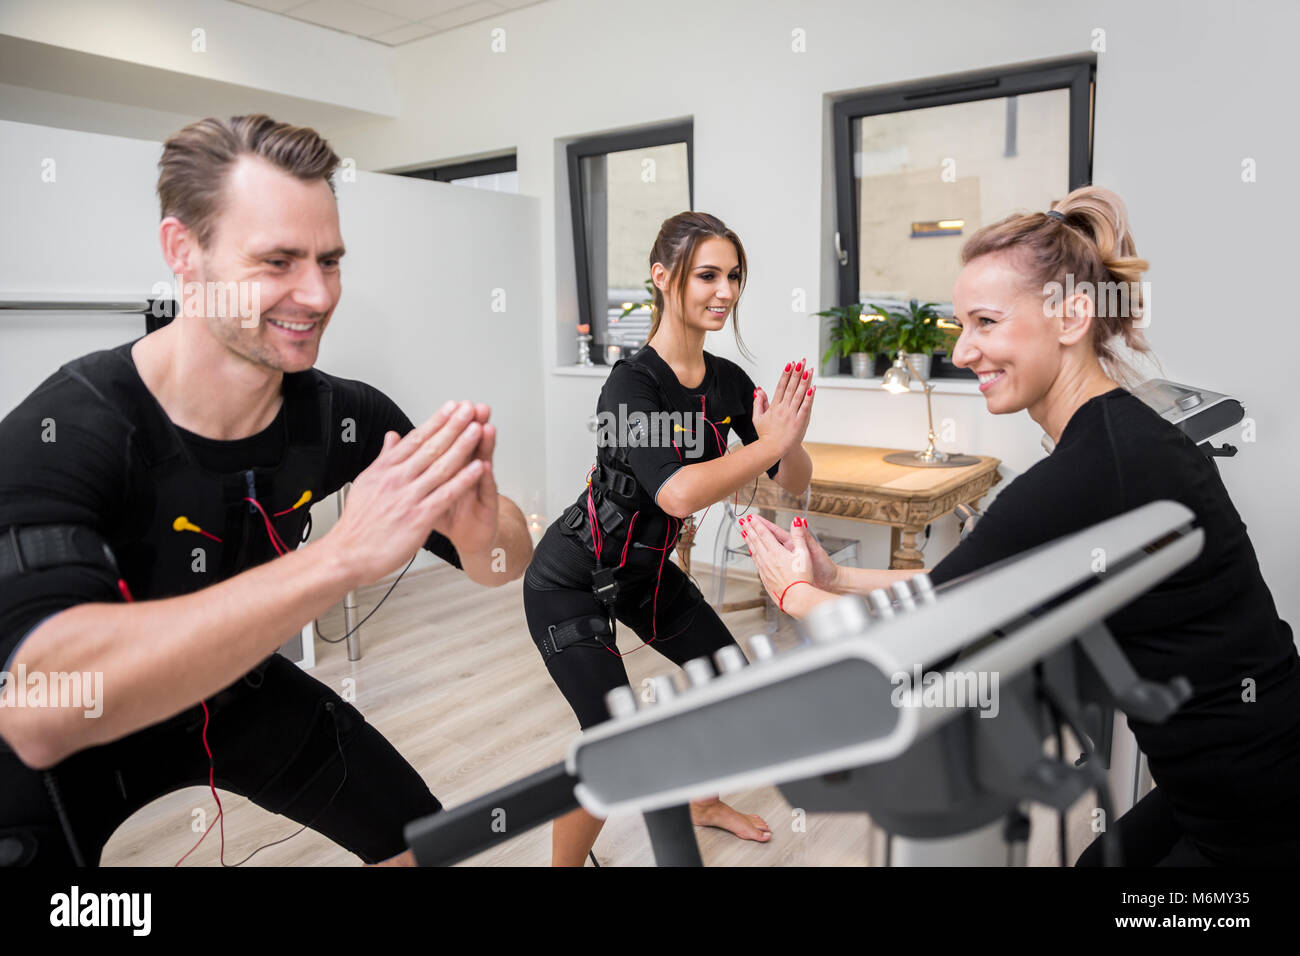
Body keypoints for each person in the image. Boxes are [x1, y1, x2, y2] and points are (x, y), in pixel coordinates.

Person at [0, 114, 533, 867]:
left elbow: (504, 566)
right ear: (183, 252)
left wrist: (485, 530)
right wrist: (339, 557)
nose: (315, 294)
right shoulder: (69, 430)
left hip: (236, 694)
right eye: (278, 261)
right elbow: (38, 714)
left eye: (330, 260)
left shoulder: (343, 417)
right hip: (72, 743)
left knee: (426, 846)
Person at [742, 186, 1300, 866]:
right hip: (1223, 777)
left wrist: (796, 594)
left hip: (1257, 806)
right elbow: (970, 587)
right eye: (961, 327)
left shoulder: (1095, 468)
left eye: (986, 322)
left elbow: (921, 645)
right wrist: (838, 576)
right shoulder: (1112, 437)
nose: (965, 350)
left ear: (1072, 316)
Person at [523, 211, 816, 865]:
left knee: (731, 683)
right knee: (610, 737)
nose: (726, 291)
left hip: (645, 577)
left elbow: (790, 479)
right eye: (708, 275)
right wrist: (767, 442)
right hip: (571, 579)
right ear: (663, 277)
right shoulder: (633, 385)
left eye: (734, 276)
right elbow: (677, 492)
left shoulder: (730, 383)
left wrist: (785, 440)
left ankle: (702, 800)